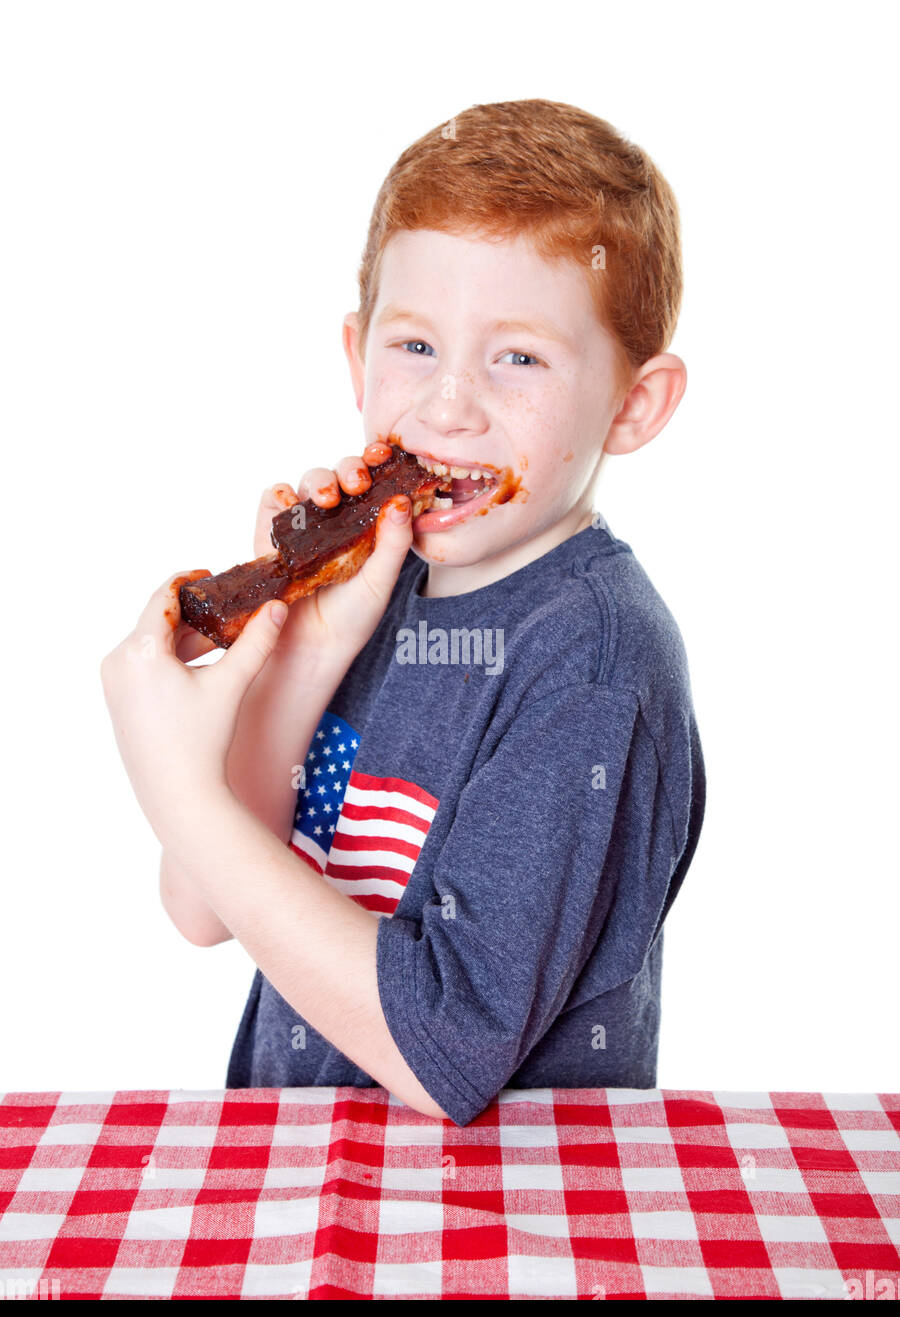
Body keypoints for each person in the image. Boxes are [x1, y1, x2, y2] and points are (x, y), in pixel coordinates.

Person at [101, 98, 706, 1127]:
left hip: (507, 1221)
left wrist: (177, 787)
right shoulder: (376, 591)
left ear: (632, 405)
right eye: (416, 345)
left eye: (518, 358)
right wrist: (310, 646)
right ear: (355, 354)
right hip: (307, 1185)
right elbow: (201, 903)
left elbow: (444, 1054)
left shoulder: (592, 661)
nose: (450, 403)